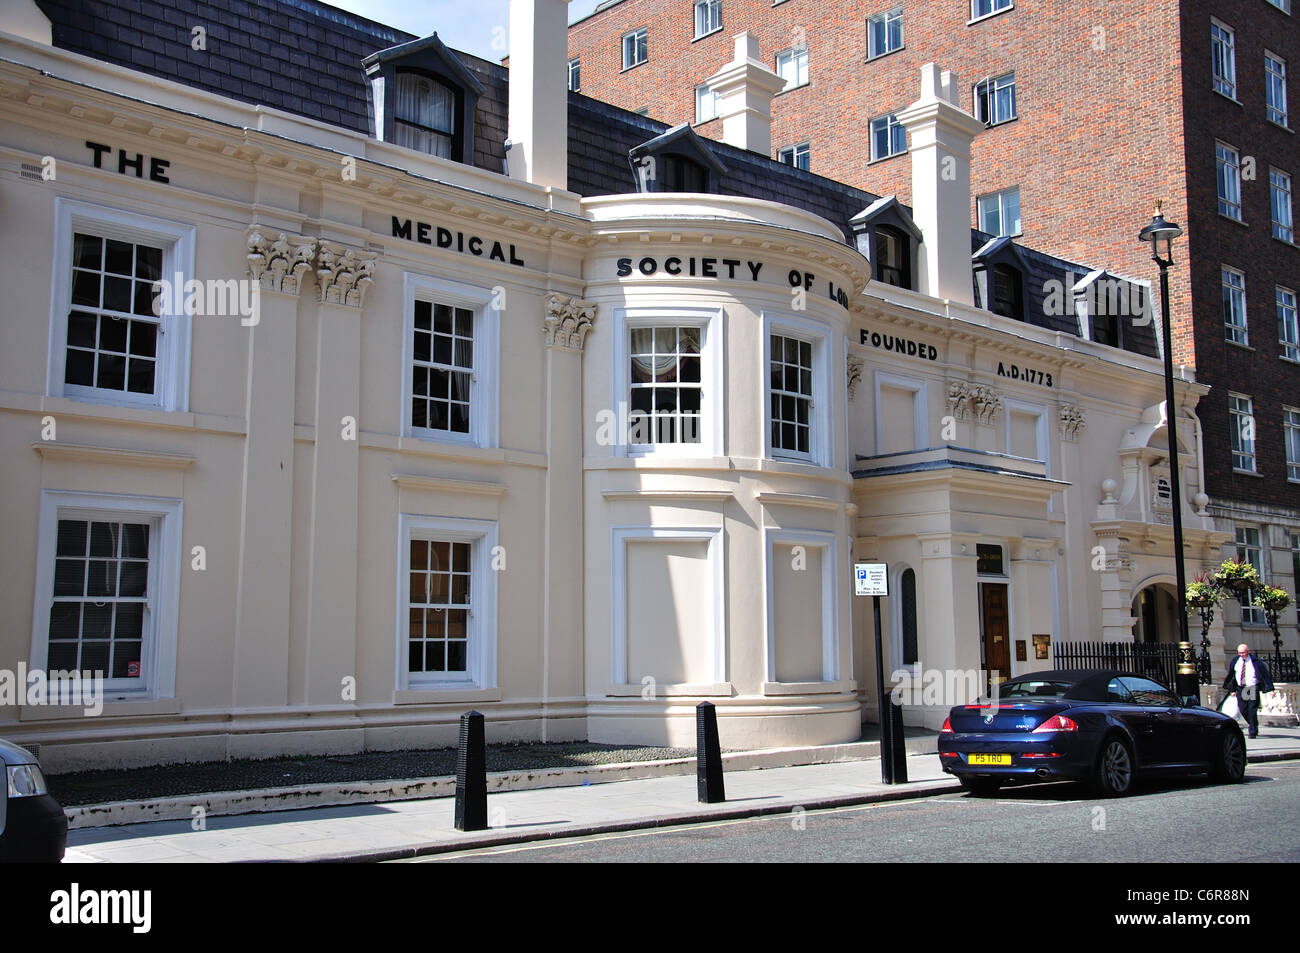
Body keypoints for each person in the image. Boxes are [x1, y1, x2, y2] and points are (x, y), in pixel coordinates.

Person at [1222, 644, 1275, 739]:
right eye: (1239, 653)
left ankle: (1252, 732)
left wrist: (1270, 689)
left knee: (1252, 709)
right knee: (1243, 709)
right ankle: (1253, 723)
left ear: (1248, 651)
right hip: (1241, 688)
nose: (1241, 655)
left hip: (1252, 688)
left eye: (1243, 652)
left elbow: (1265, 675)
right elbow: (1232, 675)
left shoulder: (1255, 661)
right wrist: (1232, 689)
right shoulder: (1236, 661)